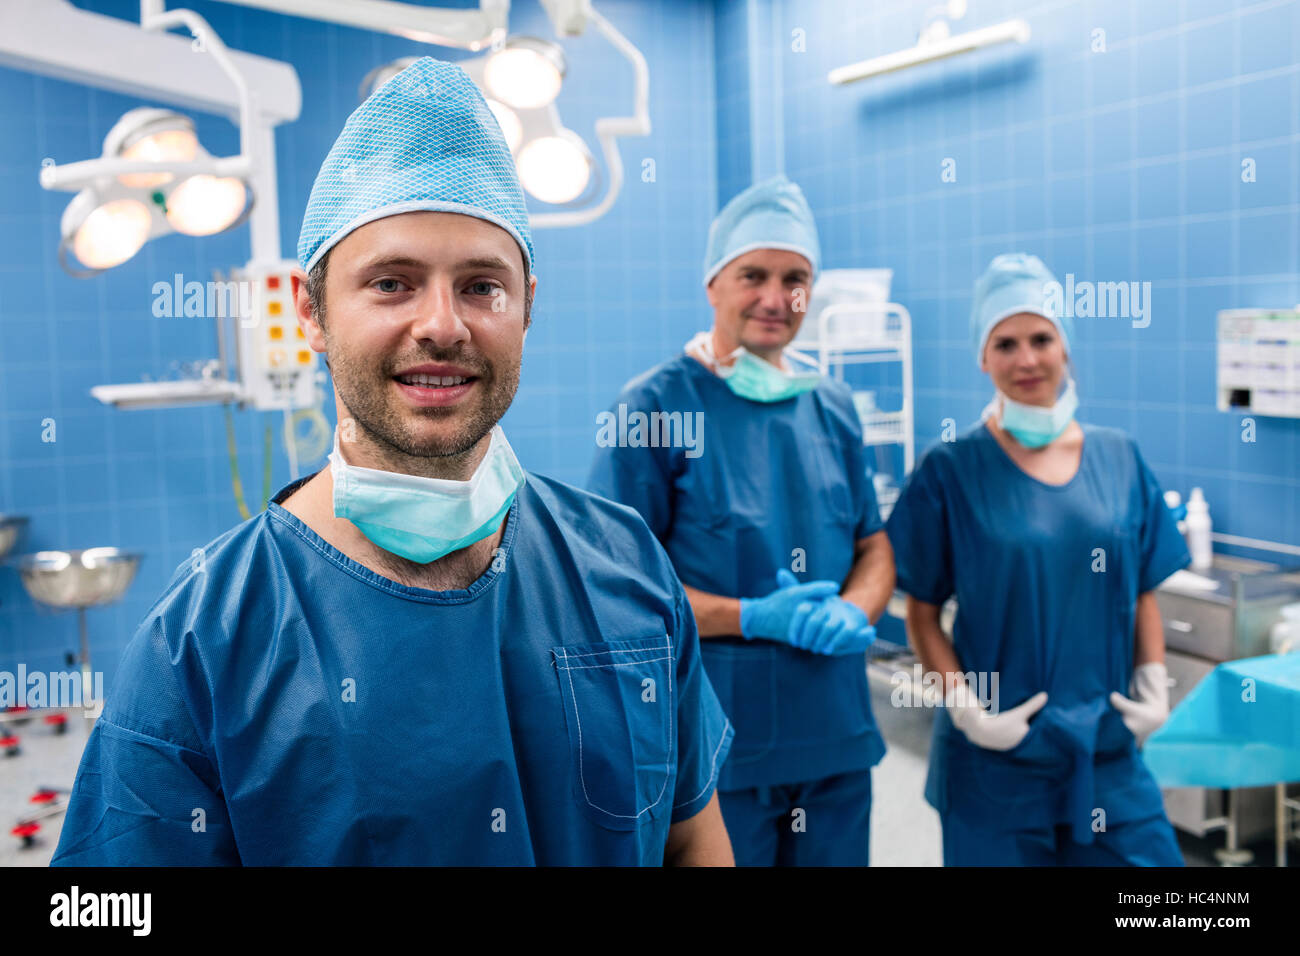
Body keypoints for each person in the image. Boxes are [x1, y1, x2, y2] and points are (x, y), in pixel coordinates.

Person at [51, 57, 734, 867]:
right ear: (310, 310)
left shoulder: (623, 565)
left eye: (482, 286)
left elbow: (693, 838)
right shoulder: (205, 641)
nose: (443, 325)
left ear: (527, 307)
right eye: (390, 283)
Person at [587, 176, 895, 866]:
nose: (774, 296)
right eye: (753, 273)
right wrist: (753, 617)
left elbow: (873, 545)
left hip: (835, 732)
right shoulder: (655, 407)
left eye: (795, 278)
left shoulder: (835, 406)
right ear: (713, 285)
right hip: (719, 744)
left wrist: (854, 609)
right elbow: (618, 591)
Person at [885, 253, 1187, 866]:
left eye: (1041, 338)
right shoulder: (951, 468)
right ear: (983, 356)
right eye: (1006, 343)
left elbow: (1141, 588)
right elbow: (920, 610)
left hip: (1106, 750)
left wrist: (1153, 683)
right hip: (996, 763)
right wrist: (965, 707)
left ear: (1066, 347)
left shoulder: (1119, 457)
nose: (1026, 359)